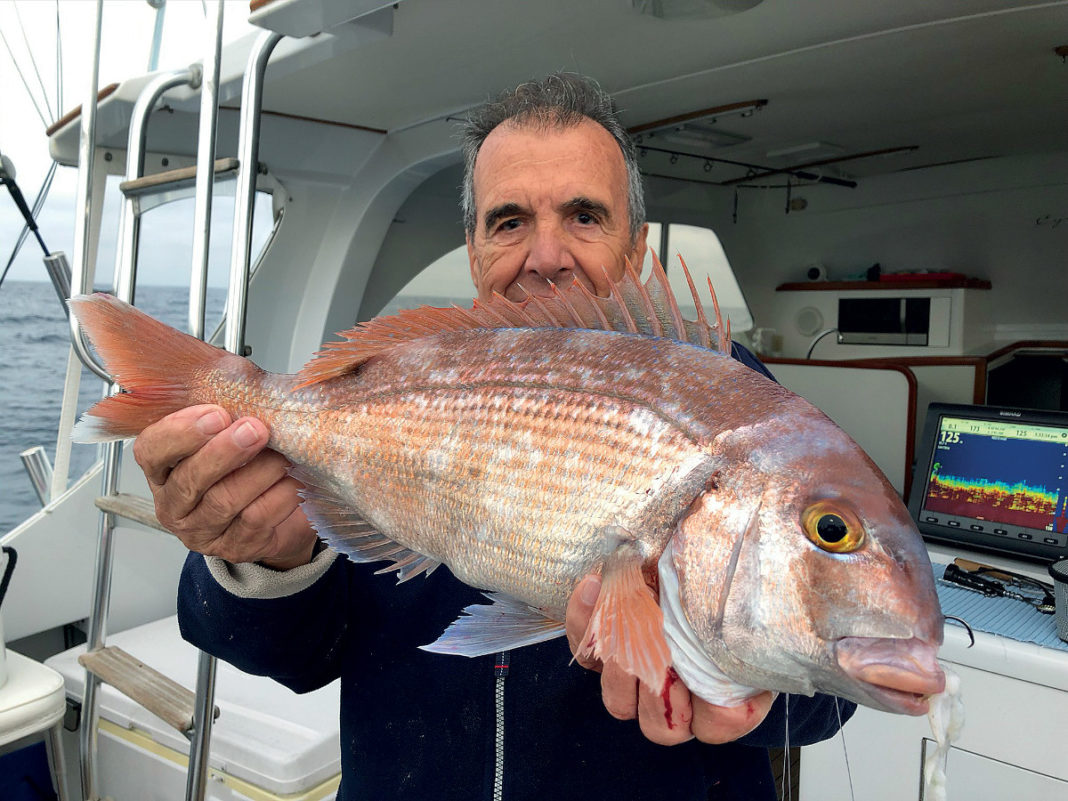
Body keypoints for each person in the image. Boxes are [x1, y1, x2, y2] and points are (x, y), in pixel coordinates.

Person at [137, 73, 854, 800]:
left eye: (584, 216)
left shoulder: (738, 407)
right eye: (509, 221)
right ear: (475, 251)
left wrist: (746, 680)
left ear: (635, 248)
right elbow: (293, 655)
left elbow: (839, 678)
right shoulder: (396, 382)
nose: (547, 254)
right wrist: (267, 556)